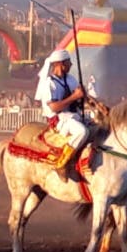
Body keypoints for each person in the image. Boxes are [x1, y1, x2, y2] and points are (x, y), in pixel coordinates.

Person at [34, 49, 88, 181]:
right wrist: (74, 97)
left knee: (98, 126)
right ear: (60, 64)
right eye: (68, 62)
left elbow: (80, 95)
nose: (71, 65)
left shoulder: (71, 79)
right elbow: (54, 107)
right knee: (82, 131)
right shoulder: (49, 83)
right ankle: (61, 163)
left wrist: (90, 100)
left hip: (73, 116)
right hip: (59, 120)